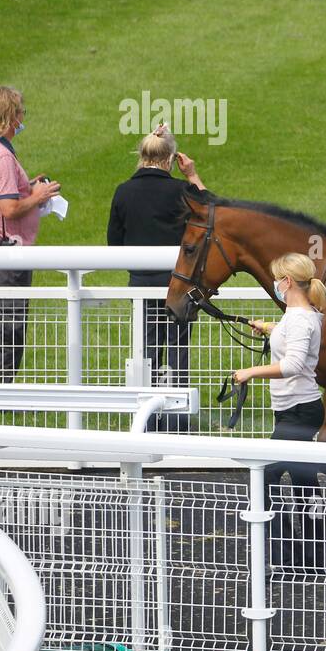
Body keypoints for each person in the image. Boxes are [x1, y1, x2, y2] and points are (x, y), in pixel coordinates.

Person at [107, 124, 206, 429]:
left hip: (141, 284)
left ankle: (146, 420)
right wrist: (191, 175)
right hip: (178, 284)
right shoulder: (181, 190)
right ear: (171, 158)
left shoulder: (124, 191)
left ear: (142, 156)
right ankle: (176, 421)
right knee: (177, 347)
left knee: (146, 350)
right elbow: (212, 213)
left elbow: (114, 241)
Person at [0, 86, 62, 383]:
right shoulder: (1, 157)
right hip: (5, 254)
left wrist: (29, 187)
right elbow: (8, 209)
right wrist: (40, 194)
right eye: (21, 112)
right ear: (10, 119)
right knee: (7, 327)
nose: (23, 118)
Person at [233, 253, 326, 488]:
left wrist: (250, 372)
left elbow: (293, 365)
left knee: (265, 475)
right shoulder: (302, 314)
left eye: (277, 279)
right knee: (304, 480)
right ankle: (310, 526)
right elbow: (294, 336)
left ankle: (271, 526)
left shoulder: (298, 319)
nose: (275, 284)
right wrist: (267, 327)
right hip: (296, 408)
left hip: (298, 411)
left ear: (287, 281)